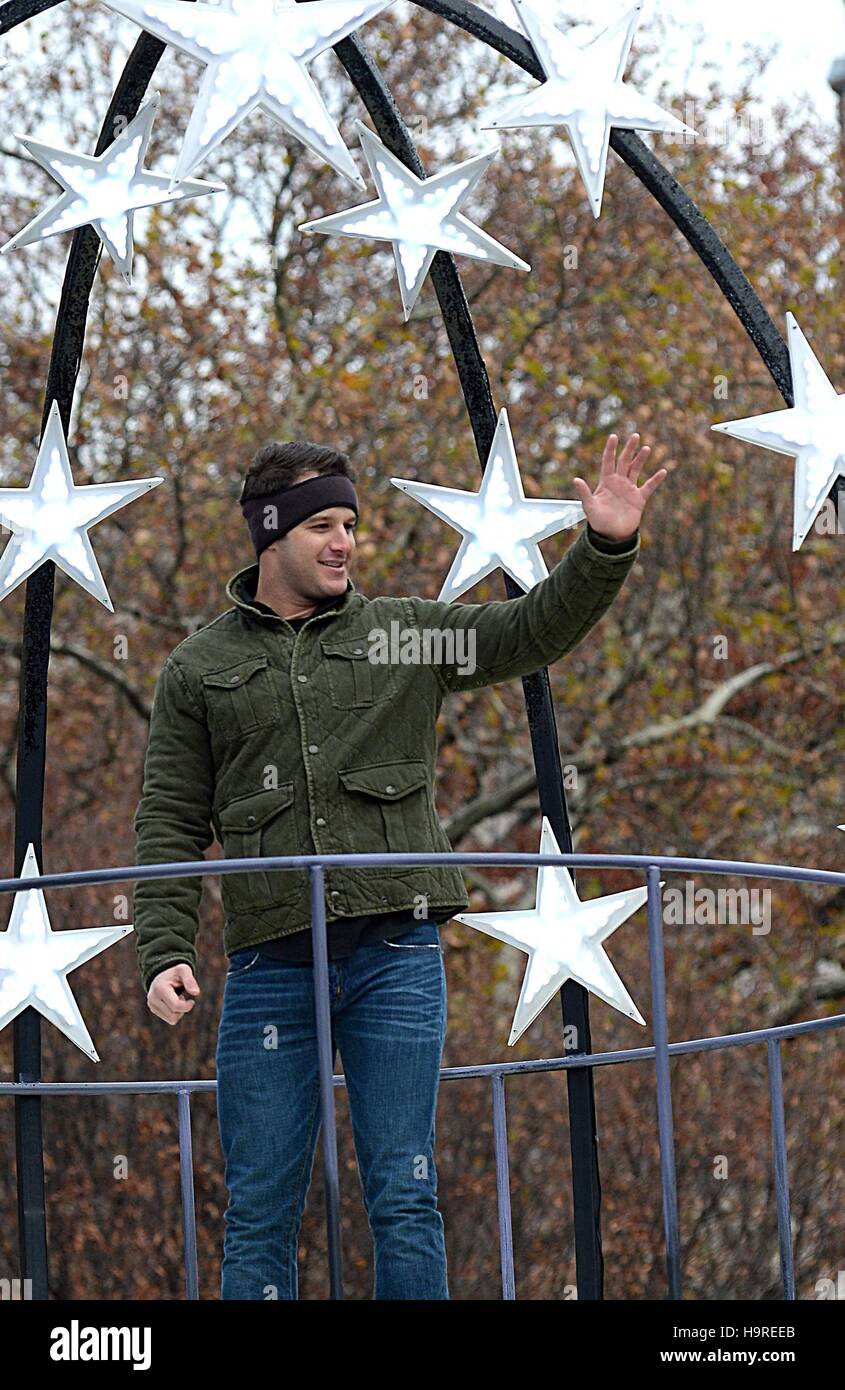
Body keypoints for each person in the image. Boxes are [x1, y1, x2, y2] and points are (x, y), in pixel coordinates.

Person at [133, 431, 666, 1299]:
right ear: (270, 532)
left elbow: (528, 630)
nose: (344, 541)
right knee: (259, 1206)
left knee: (404, 1194)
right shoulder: (198, 668)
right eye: (321, 526)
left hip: (395, 959)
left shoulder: (402, 636)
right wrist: (164, 951)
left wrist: (603, 545)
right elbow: (168, 820)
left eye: (350, 523)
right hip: (270, 965)